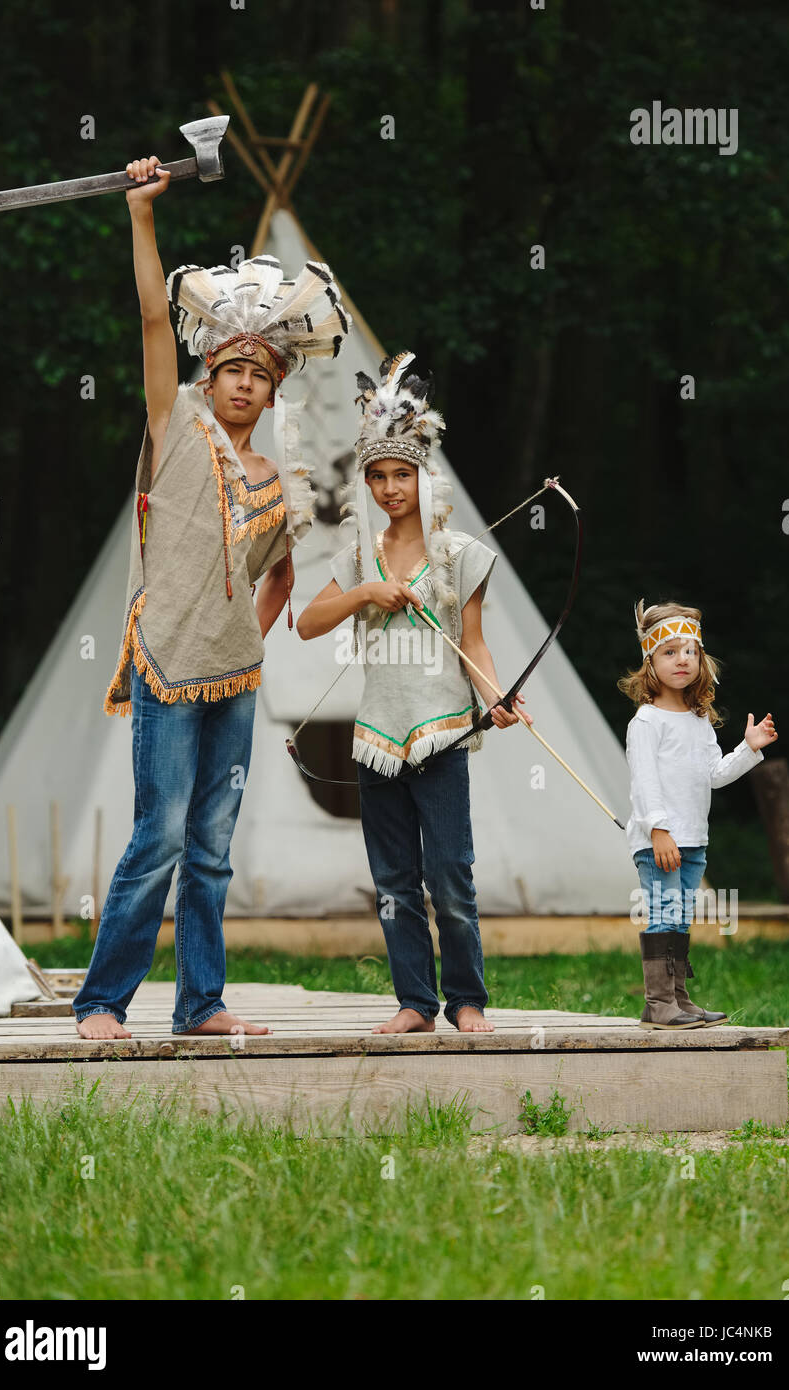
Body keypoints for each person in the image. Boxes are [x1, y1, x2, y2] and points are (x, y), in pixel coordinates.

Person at [73, 154, 349, 1040]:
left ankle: (201, 1005)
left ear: (274, 391)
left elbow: (278, 576)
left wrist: (255, 638)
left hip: (235, 678)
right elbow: (155, 315)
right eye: (232, 368)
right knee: (156, 839)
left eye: (260, 376)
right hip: (165, 658)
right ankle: (101, 1003)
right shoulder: (176, 426)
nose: (243, 383)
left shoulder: (279, 481)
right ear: (212, 373)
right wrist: (143, 215)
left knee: (212, 852)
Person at [297, 352, 525, 1034]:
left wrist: (496, 697)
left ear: (423, 476)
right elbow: (307, 624)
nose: (390, 487)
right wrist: (365, 591)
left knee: (450, 879)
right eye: (377, 477)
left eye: (401, 474)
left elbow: (474, 643)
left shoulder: (460, 554)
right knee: (394, 886)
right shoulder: (356, 554)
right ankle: (413, 1004)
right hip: (375, 737)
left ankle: (467, 1001)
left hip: (444, 728)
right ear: (364, 483)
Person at [619, 600, 778, 1029]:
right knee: (664, 912)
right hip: (661, 840)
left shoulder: (698, 719)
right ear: (650, 662)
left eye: (690, 651)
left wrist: (749, 748)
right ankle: (658, 1003)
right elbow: (645, 781)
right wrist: (659, 830)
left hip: (693, 839)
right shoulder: (647, 721)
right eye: (670, 651)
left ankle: (678, 1000)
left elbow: (715, 775)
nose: (682, 660)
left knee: (680, 916)